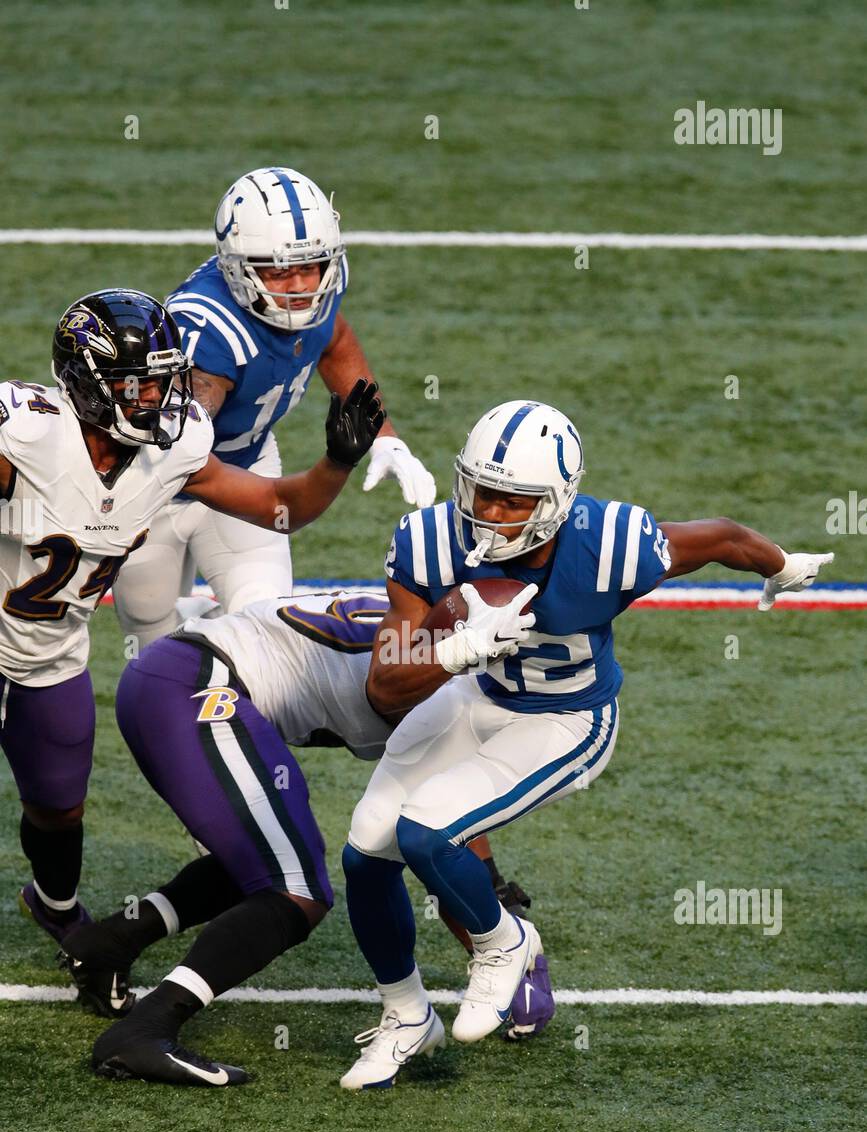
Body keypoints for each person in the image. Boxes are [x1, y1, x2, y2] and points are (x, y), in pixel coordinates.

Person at [338, 397, 835, 1089]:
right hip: (475, 694)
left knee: (425, 833)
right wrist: (459, 648)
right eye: (480, 489)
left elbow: (720, 536)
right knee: (365, 849)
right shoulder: (426, 542)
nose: (489, 510)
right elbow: (386, 687)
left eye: (513, 500)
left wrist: (780, 565)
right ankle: (404, 1016)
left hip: (565, 719)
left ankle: (503, 942)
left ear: (556, 502)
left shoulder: (613, 544)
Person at [0, 286, 383, 946]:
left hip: (50, 655)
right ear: (86, 383)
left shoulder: (170, 449)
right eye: (134, 385)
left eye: (158, 381)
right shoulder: (28, 431)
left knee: (59, 804)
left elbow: (276, 508)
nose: (152, 398)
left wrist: (335, 464)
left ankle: (54, 905)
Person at [60, 590, 552, 1086]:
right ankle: (144, 1030)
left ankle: (107, 942)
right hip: (200, 688)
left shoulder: (413, 616)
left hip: (171, 678)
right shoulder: (440, 671)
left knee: (267, 854)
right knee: (297, 890)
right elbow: (445, 842)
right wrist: (508, 955)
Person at [111, 166, 436, 645]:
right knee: (148, 630)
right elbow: (176, 444)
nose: (302, 285)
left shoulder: (315, 295)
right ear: (237, 266)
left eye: (311, 265)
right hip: (154, 486)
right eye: (280, 271)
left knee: (263, 630)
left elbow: (334, 340)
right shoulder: (206, 334)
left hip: (247, 460)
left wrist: (385, 439)